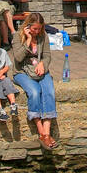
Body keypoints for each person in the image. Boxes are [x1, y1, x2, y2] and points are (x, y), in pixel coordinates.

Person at [13, 13, 58, 149]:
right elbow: (18, 58)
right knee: (34, 92)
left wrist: (43, 64)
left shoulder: (43, 36)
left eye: (39, 29)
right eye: (34, 29)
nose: (37, 32)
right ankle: (41, 132)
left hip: (39, 70)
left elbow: (47, 55)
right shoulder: (17, 36)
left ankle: (47, 133)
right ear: (28, 27)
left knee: (49, 91)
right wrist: (28, 40)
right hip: (21, 72)